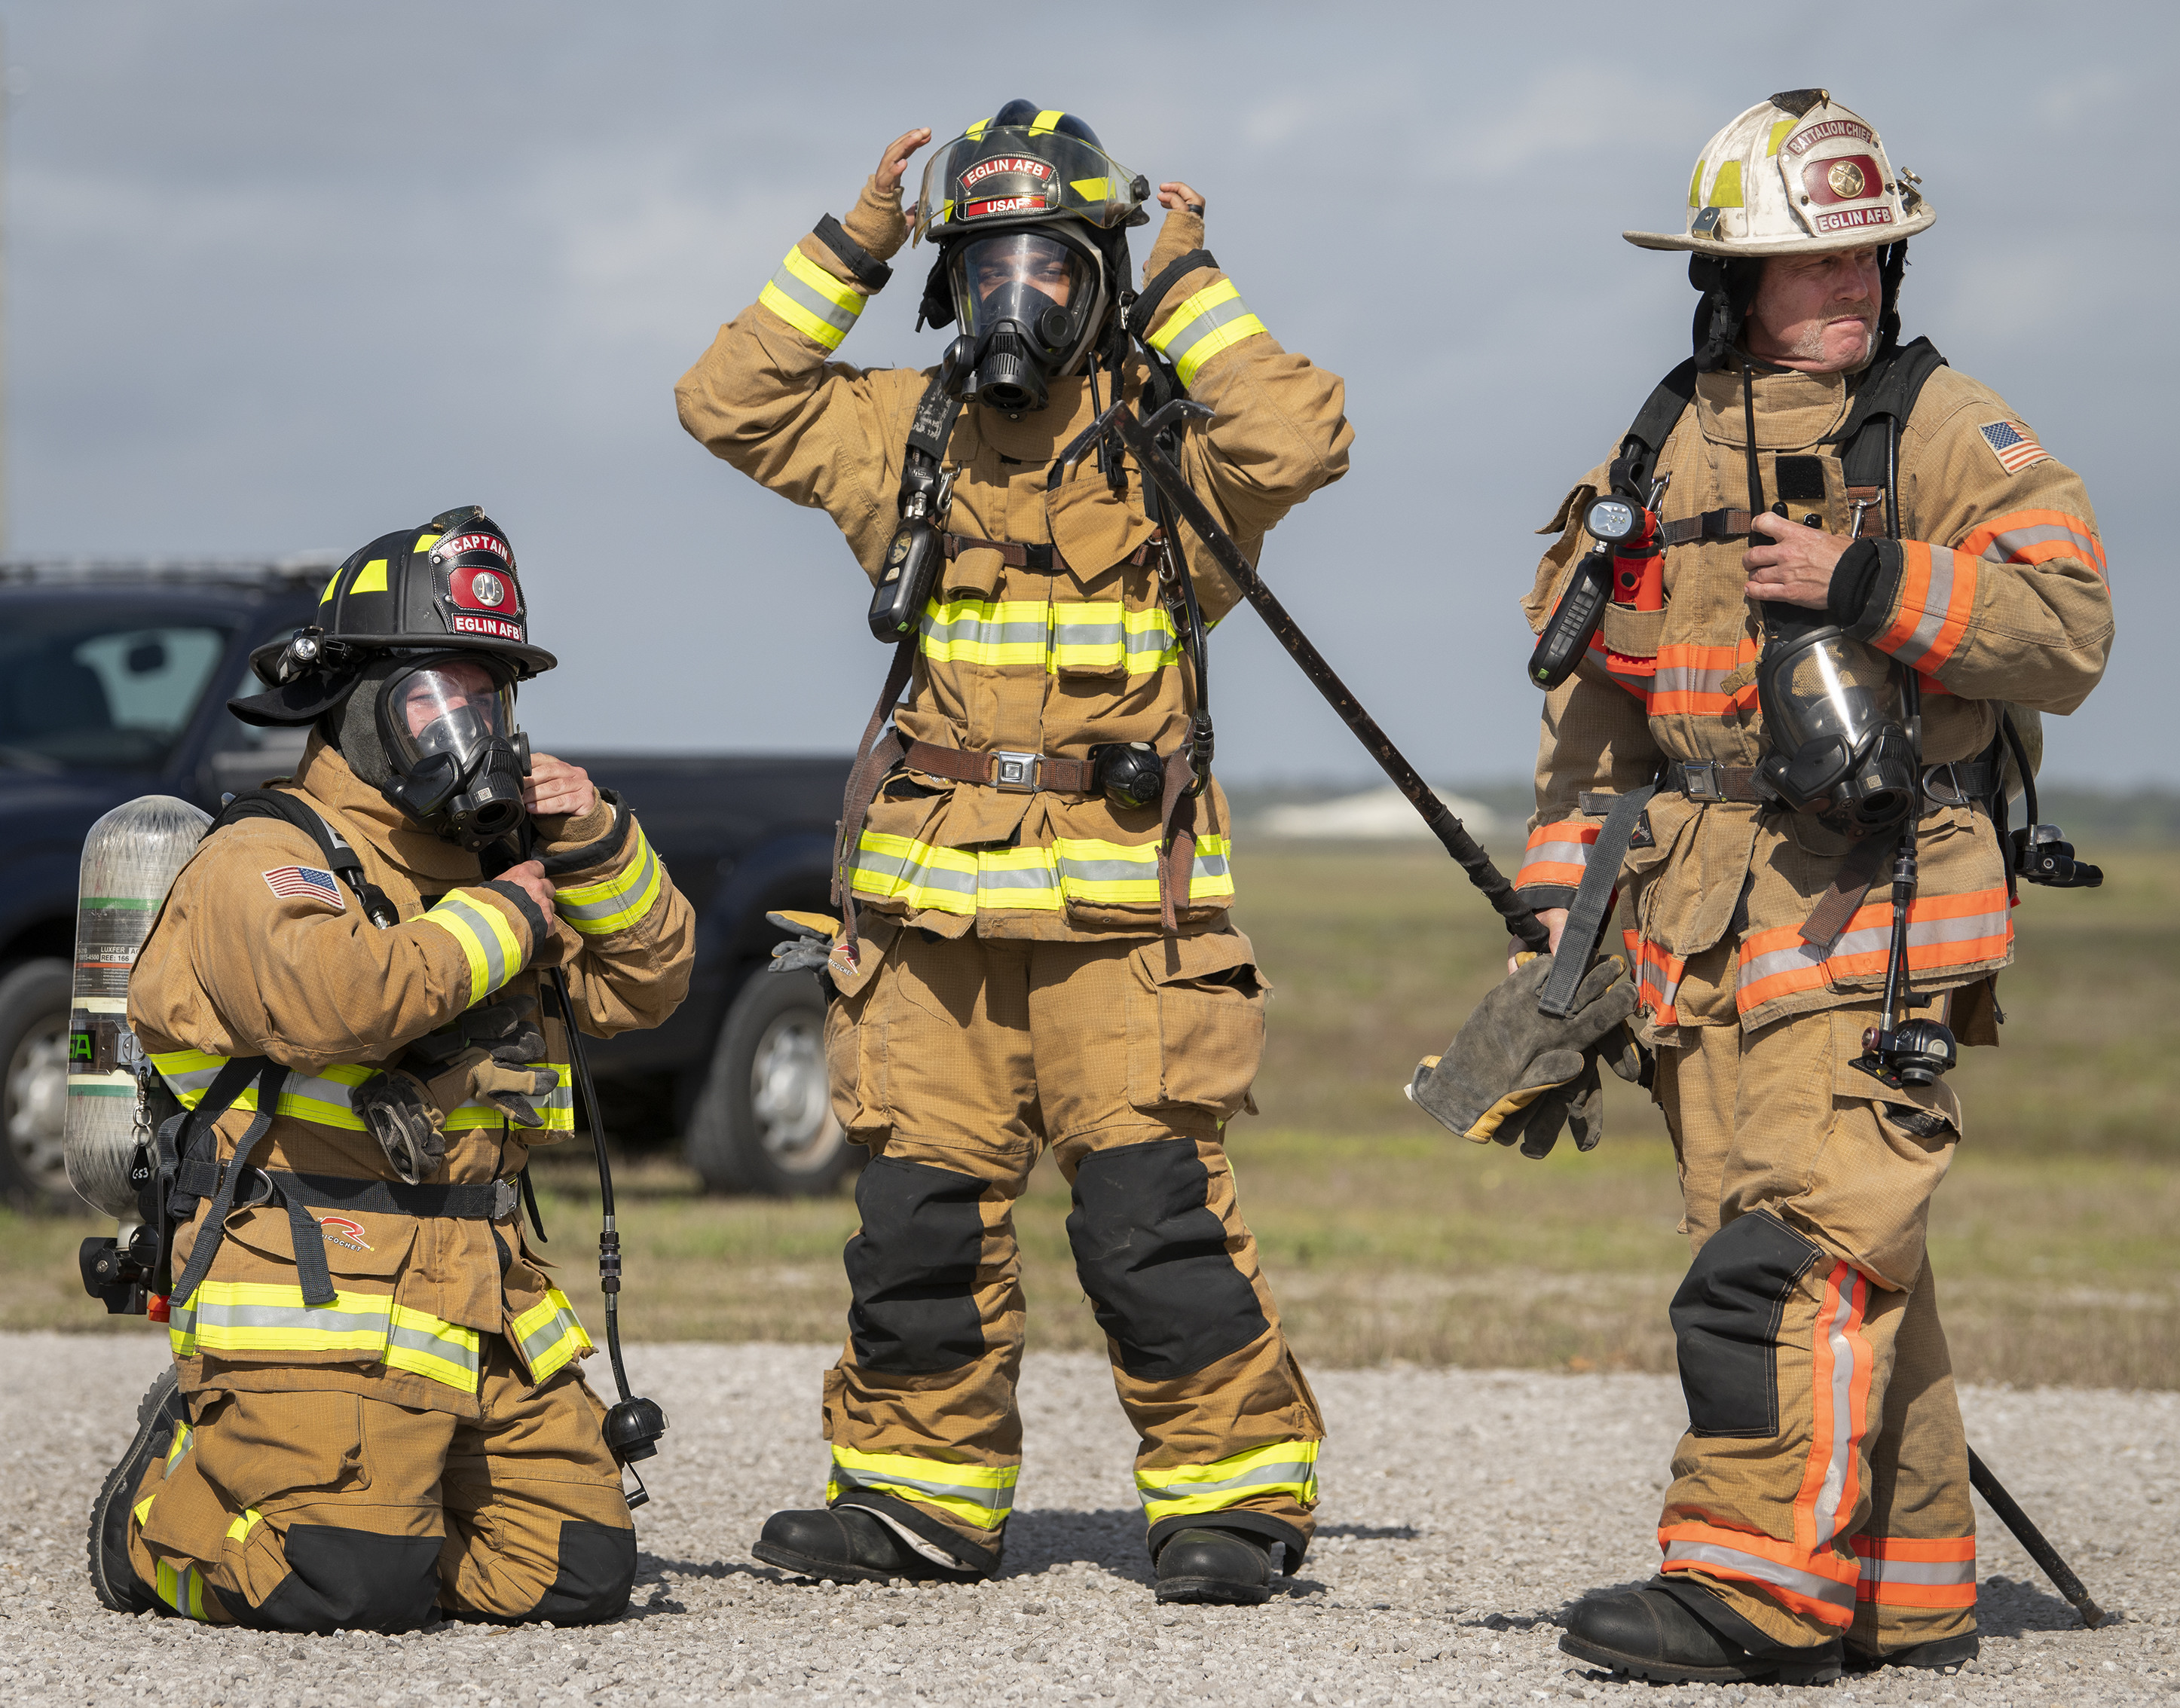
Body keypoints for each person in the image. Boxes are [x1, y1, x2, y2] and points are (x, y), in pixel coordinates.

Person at [675, 100, 1352, 1604]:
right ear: (951, 281)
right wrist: (854, 244)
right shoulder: (901, 434)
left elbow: (1302, 434)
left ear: (1099, 272)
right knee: (916, 1225)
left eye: (1052, 264)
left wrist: (1190, 283)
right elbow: (725, 400)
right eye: (987, 267)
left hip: (1124, 935)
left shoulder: (1179, 458)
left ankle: (1234, 1504)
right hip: (926, 934)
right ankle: (916, 1501)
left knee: (1150, 1226)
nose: (1017, 299)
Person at [1506, 92, 2110, 1682]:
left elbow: (2069, 636)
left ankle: (1750, 1595)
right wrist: (1559, 944)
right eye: (1807, 269)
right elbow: (1591, 719)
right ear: (1729, 281)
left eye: (1867, 265)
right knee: (1839, 1269)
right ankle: (1903, 1593)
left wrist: (1867, 580)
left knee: (1791, 1255)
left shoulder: (1946, 430)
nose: (1847, 293)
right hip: (1701, 927)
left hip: (1883, 912)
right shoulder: (1658, 439)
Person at [85, 507, 696, 1630]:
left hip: (476, 1296)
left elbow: (644, 986)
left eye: (489, 698)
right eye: (436, 699)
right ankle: (149, 1519)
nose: (469, 728)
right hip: (315, 1286)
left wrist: (598, 836)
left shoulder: (496, 867)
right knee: (340, 1584)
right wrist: (508, 920)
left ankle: (375, 1520)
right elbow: (338, 1002)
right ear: (358, 702)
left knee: (579, 1569)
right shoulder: (267, 856)